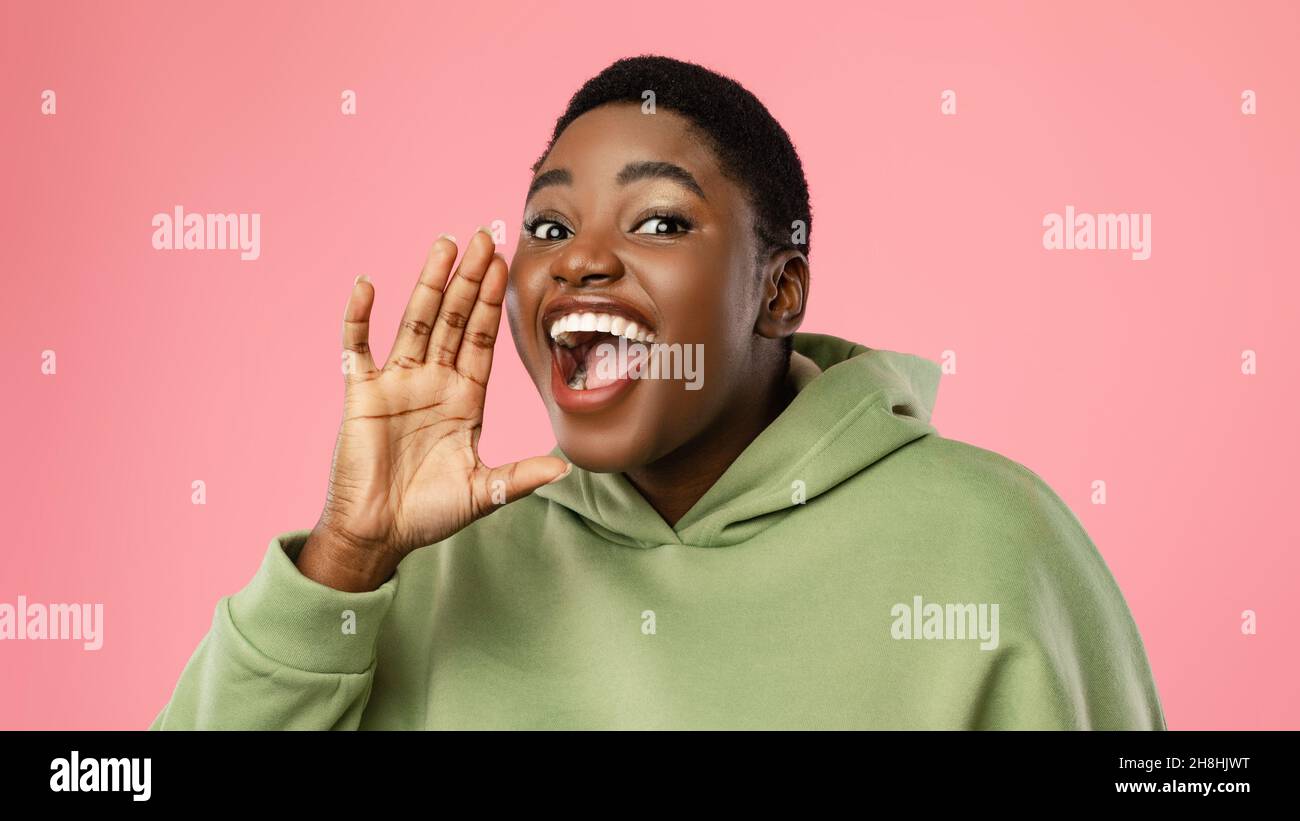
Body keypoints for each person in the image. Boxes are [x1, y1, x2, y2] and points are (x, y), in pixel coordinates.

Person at [150, 55, 1166, 730]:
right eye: (549, 227)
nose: (580, 260)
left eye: (660, 223)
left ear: (779, 290)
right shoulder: (425, 565)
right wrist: (342, 561)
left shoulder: (991, 539)